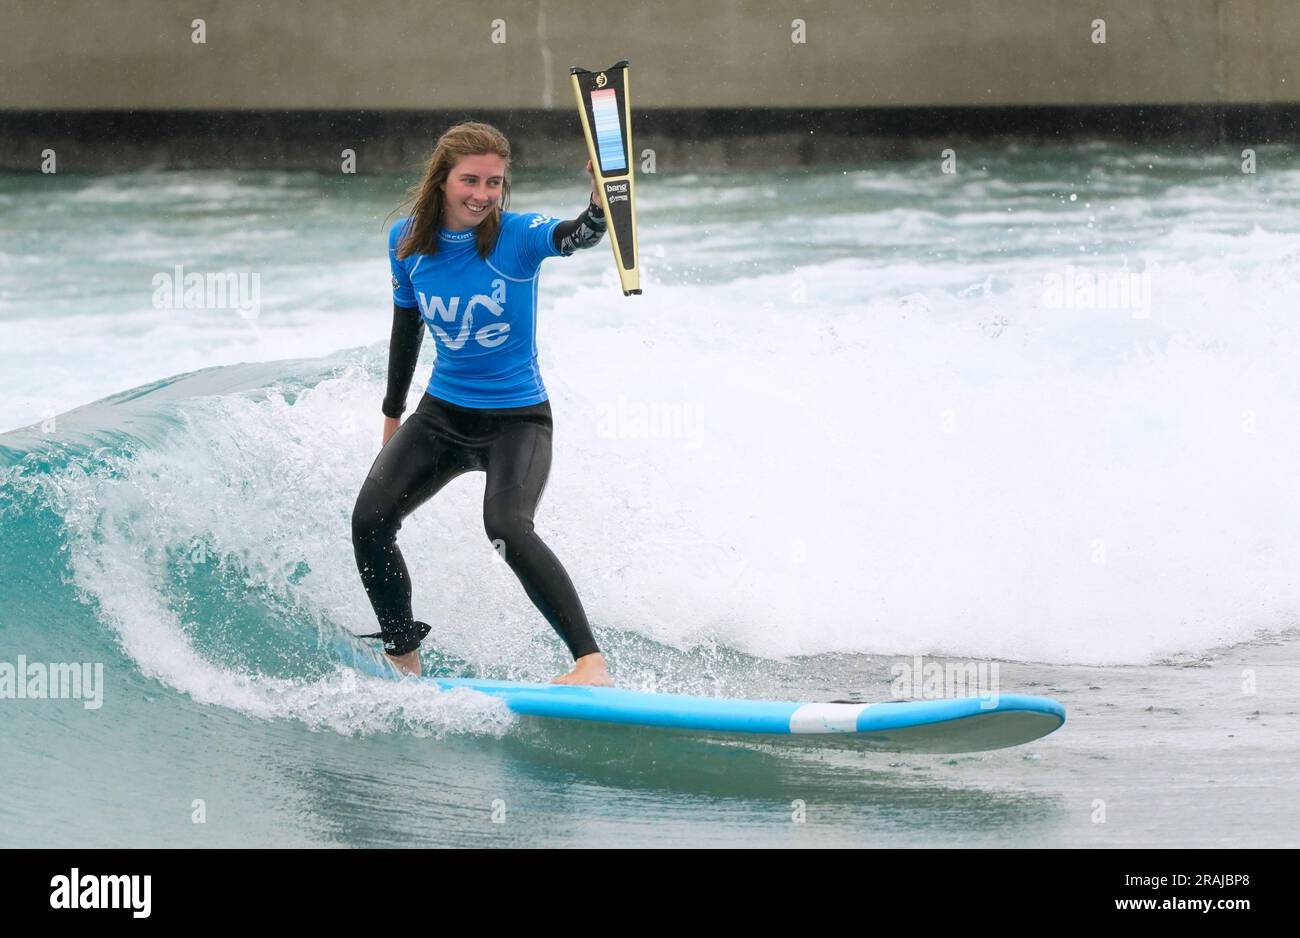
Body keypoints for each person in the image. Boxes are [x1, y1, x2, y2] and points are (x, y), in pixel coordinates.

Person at [351, 121, 613, 686]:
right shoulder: (406, 243)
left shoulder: (516, 236)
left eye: (494, 183)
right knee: (370, 521)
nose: (482, 194)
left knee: (506, 526)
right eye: (470, 180)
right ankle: (402, 654)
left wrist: (600, 204)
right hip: (443, 415)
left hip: (517, 420)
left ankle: (590, 661)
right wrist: (392, 415)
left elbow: (576, 236)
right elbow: (407, 327)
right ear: (441, 180)